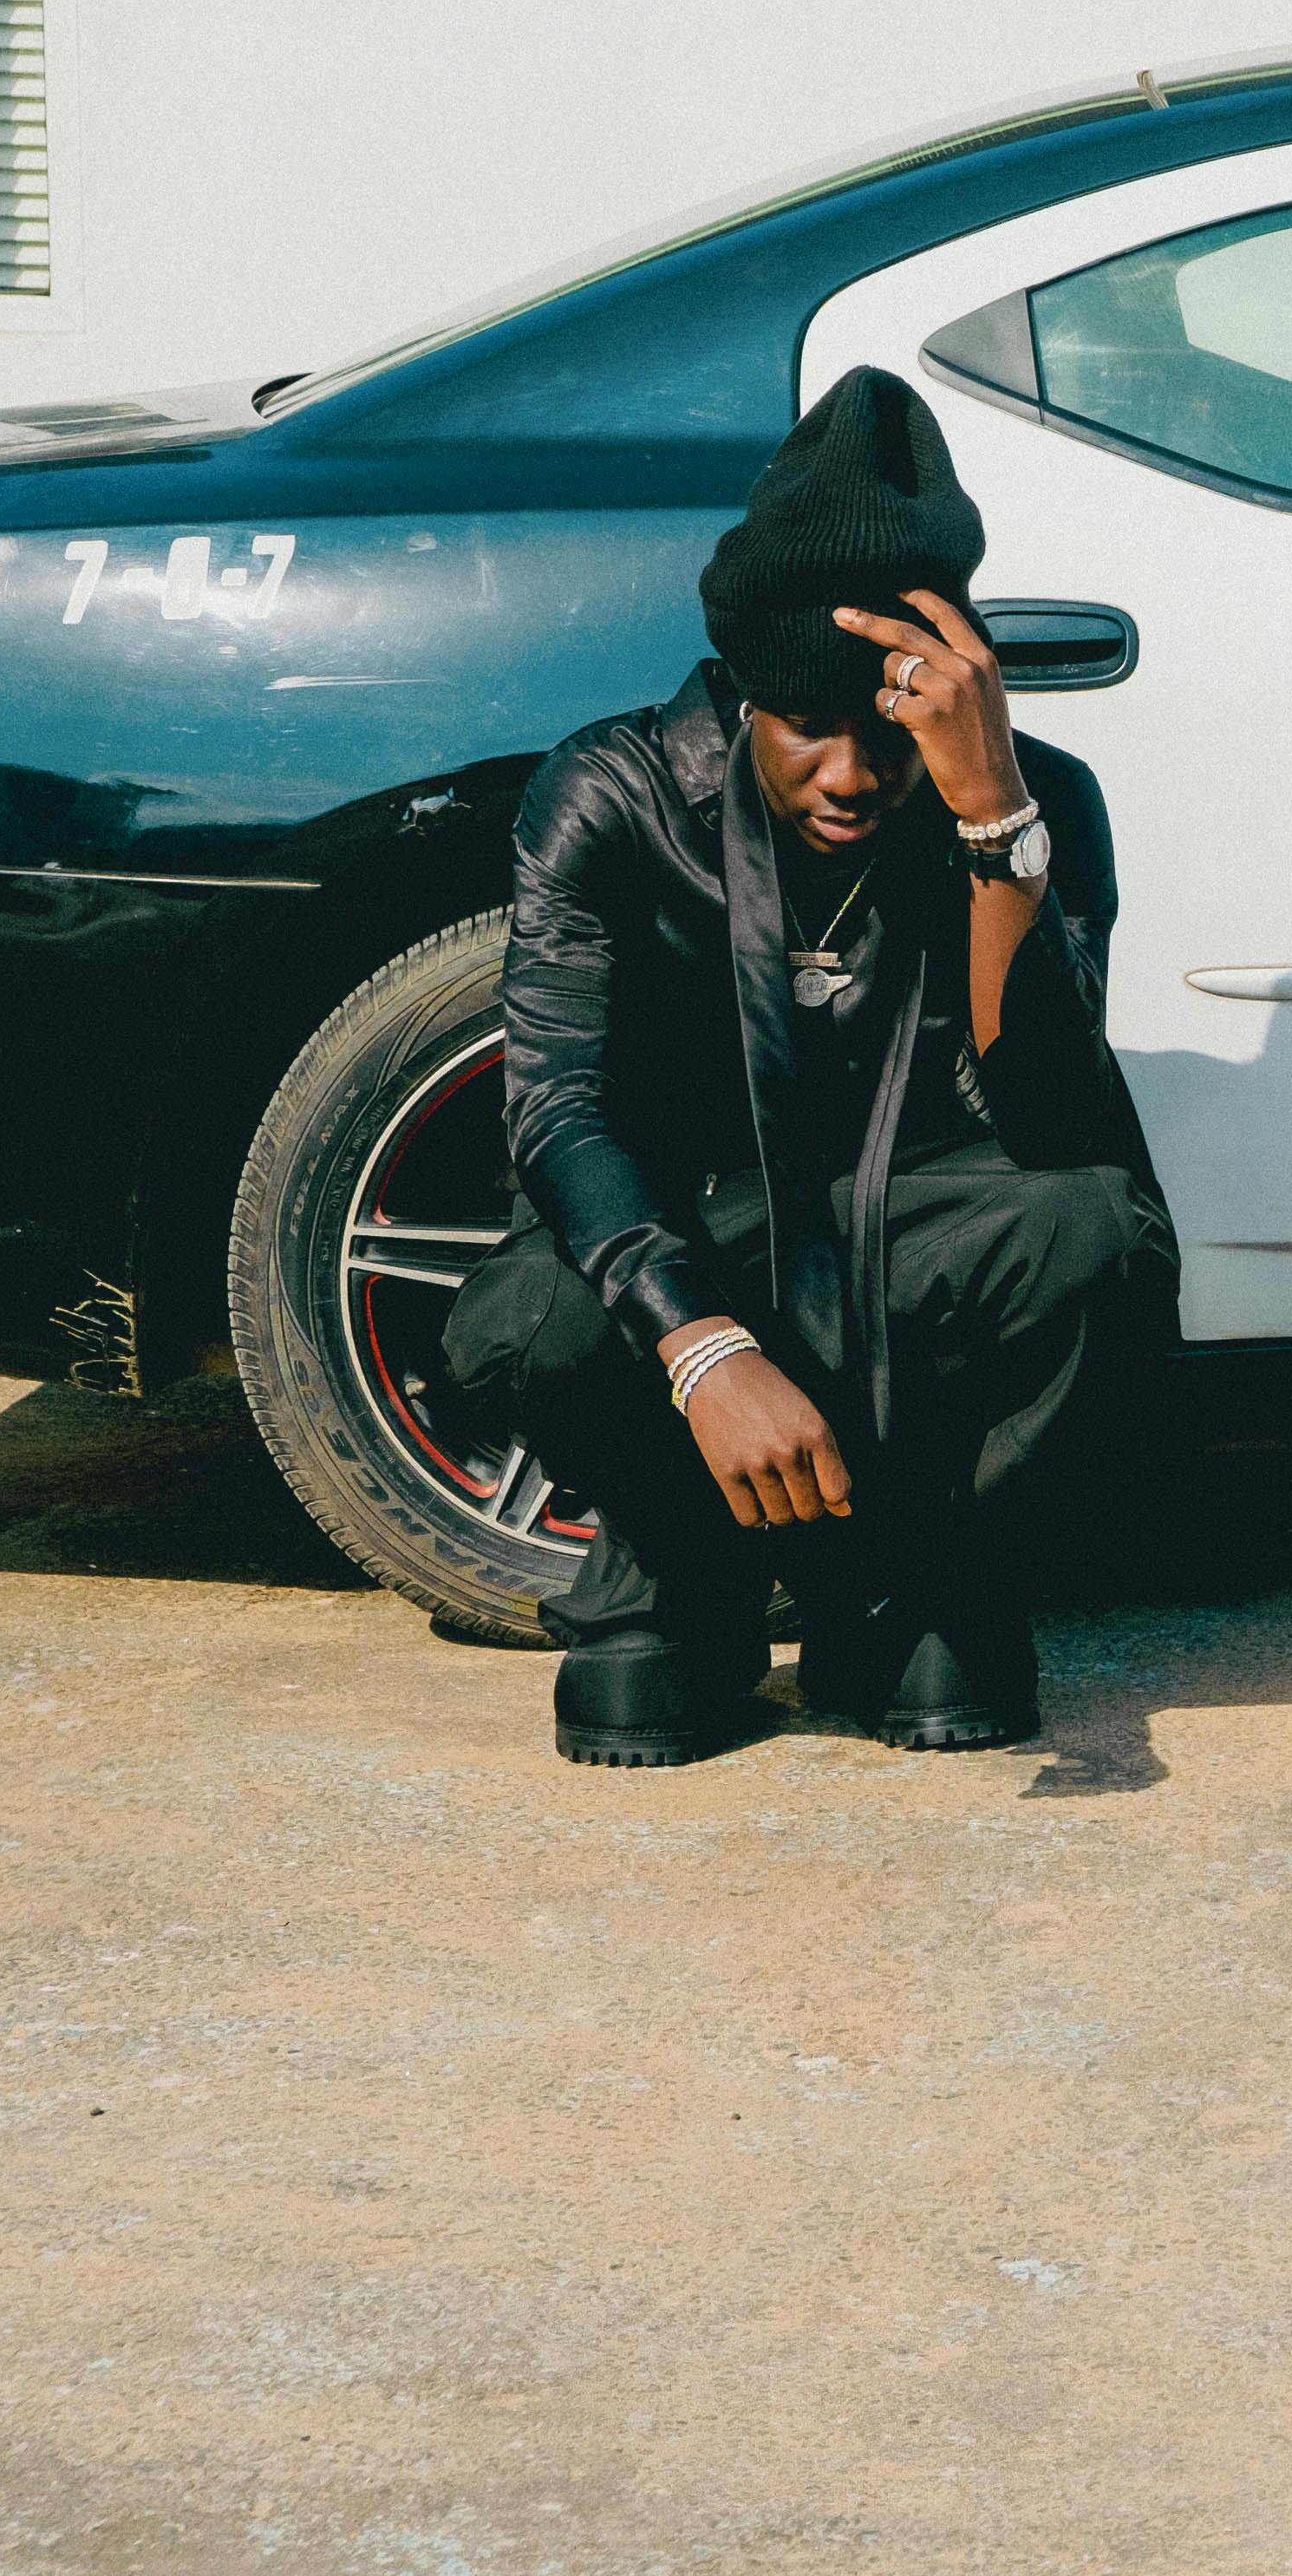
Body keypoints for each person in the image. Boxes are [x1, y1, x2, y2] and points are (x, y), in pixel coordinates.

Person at [446, 369, 1171, 1764]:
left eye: (886, 726)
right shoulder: (612, 794)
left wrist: (994, 825)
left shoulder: (1032, 804)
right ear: (740, 699)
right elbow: (558, 1107)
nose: (849, 773)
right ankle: (678, 1581)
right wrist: (703, 1345)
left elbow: (1057, 1122)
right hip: (694, 1238)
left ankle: (913, 1581)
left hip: (915, 1229)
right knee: (527, 1321)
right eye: (805, 724)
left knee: (1095, 1239)